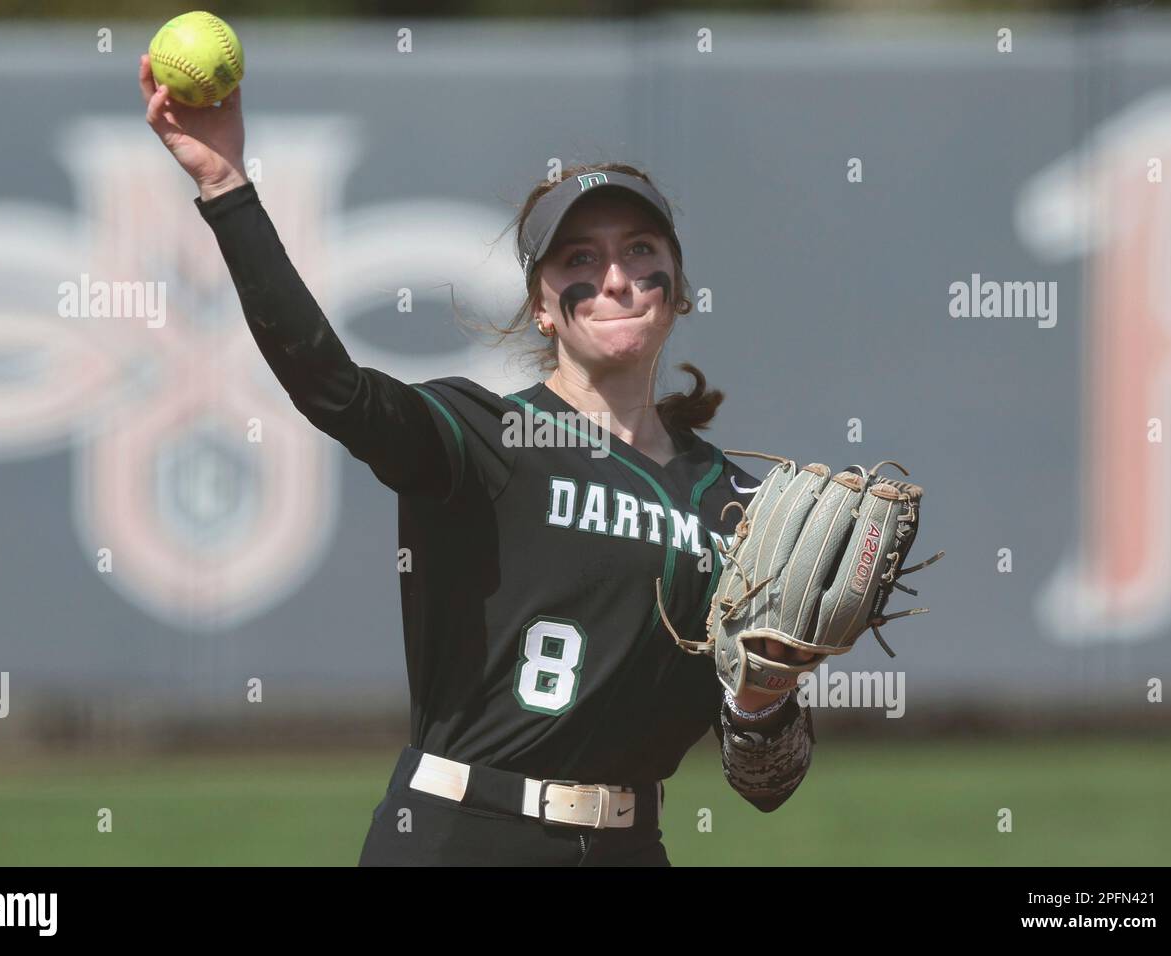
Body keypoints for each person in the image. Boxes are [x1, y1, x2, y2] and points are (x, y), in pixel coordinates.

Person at [140, 54, 816, 867]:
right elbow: (330, 386)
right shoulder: (484, 434)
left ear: (678, 287)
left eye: (641, 249)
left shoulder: (741, 505)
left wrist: (764, 698)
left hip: (632, 846)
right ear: (540, 306)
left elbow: (767, 782)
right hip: (463, 832)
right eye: (578, 260)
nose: (616, 275)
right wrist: (225, 185)